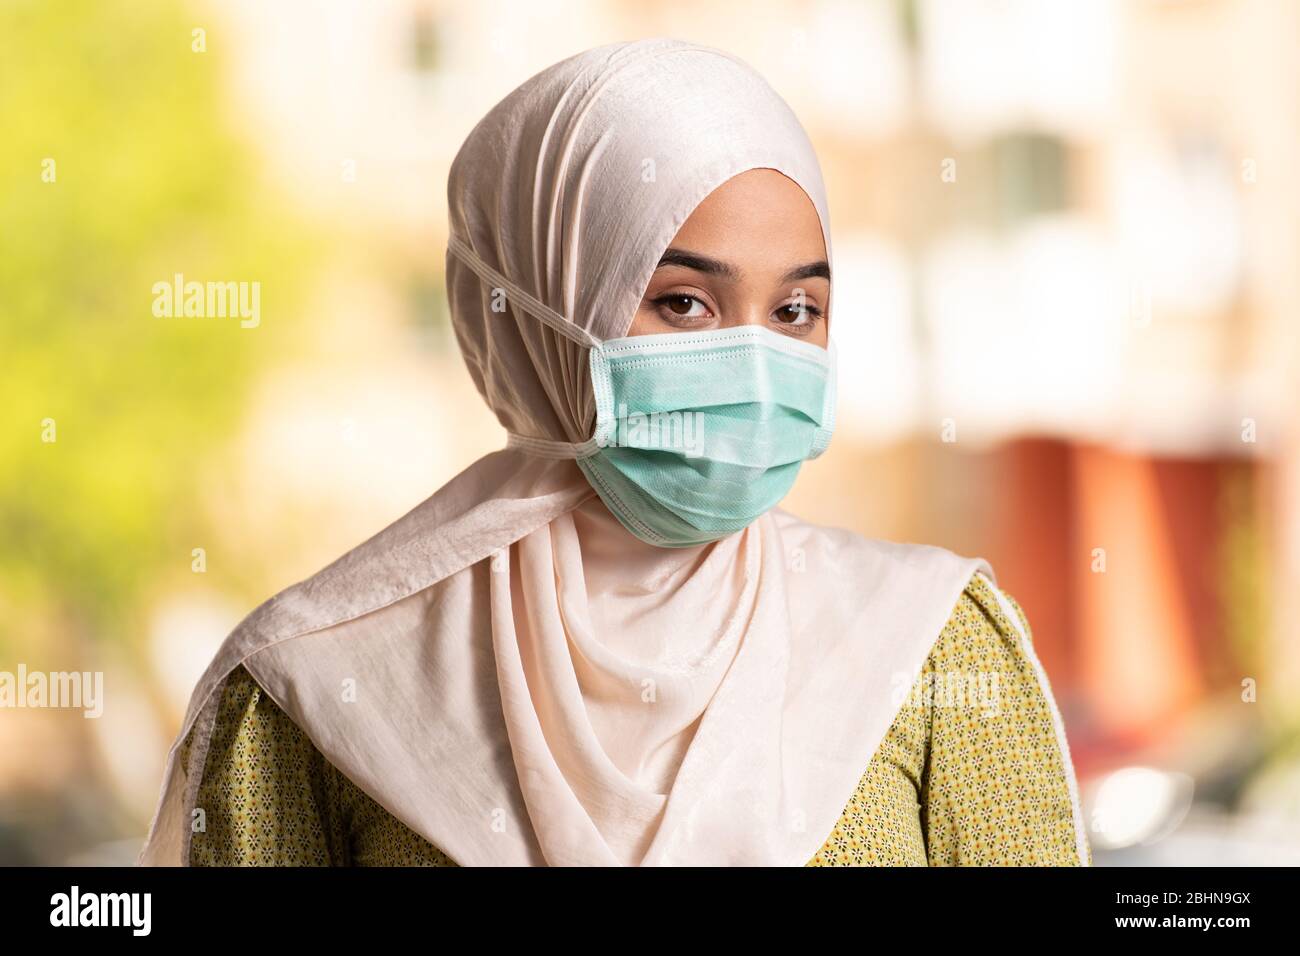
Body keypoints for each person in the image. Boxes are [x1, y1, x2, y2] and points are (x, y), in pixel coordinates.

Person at [137, 37, 1090, 867]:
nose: (756, 361)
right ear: (532, 306)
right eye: (684, 301)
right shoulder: (315, 690)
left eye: (795, 310)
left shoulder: (925, 647)